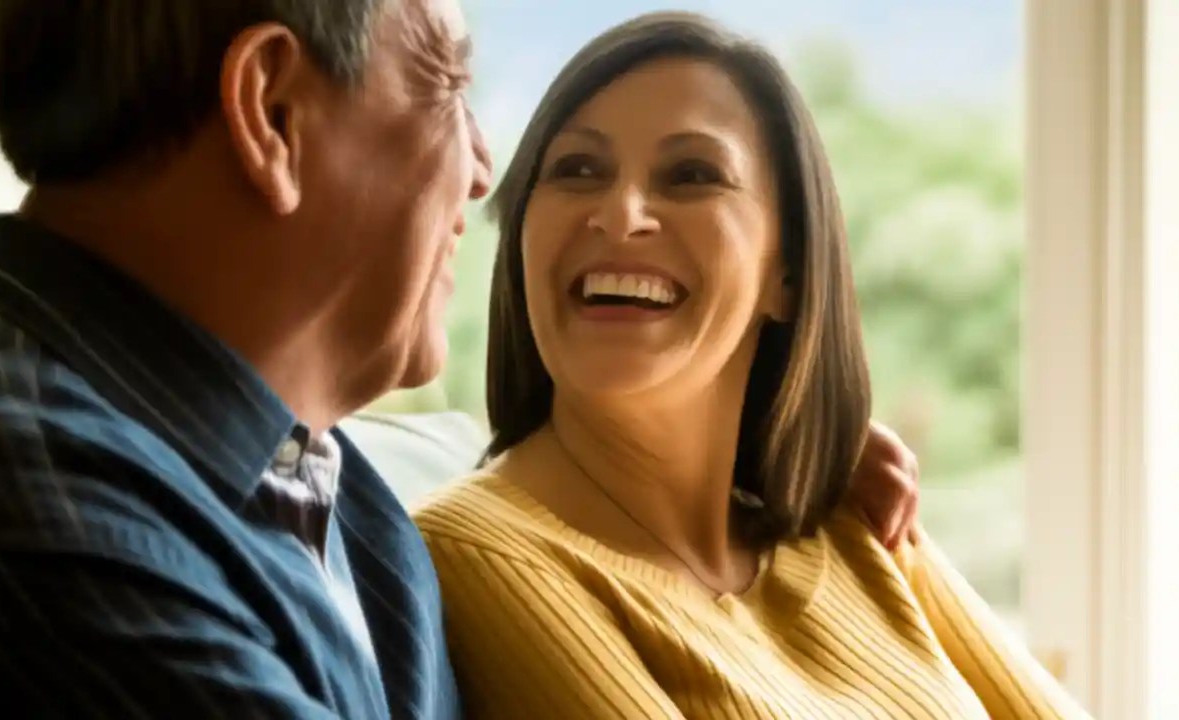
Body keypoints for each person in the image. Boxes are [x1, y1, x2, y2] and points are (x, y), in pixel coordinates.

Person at [0, 2, 921, 718]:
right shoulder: (29, 512)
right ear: (272, 114)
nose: (482, 168)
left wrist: (776, 439)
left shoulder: (323, 491)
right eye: (446, 85)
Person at [415, 12, 1090, 720]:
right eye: (577, 170)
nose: (620, 215)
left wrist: (819, 448)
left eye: (692, 175)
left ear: (788, 272)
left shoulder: (852, 518)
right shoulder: (476, 550)